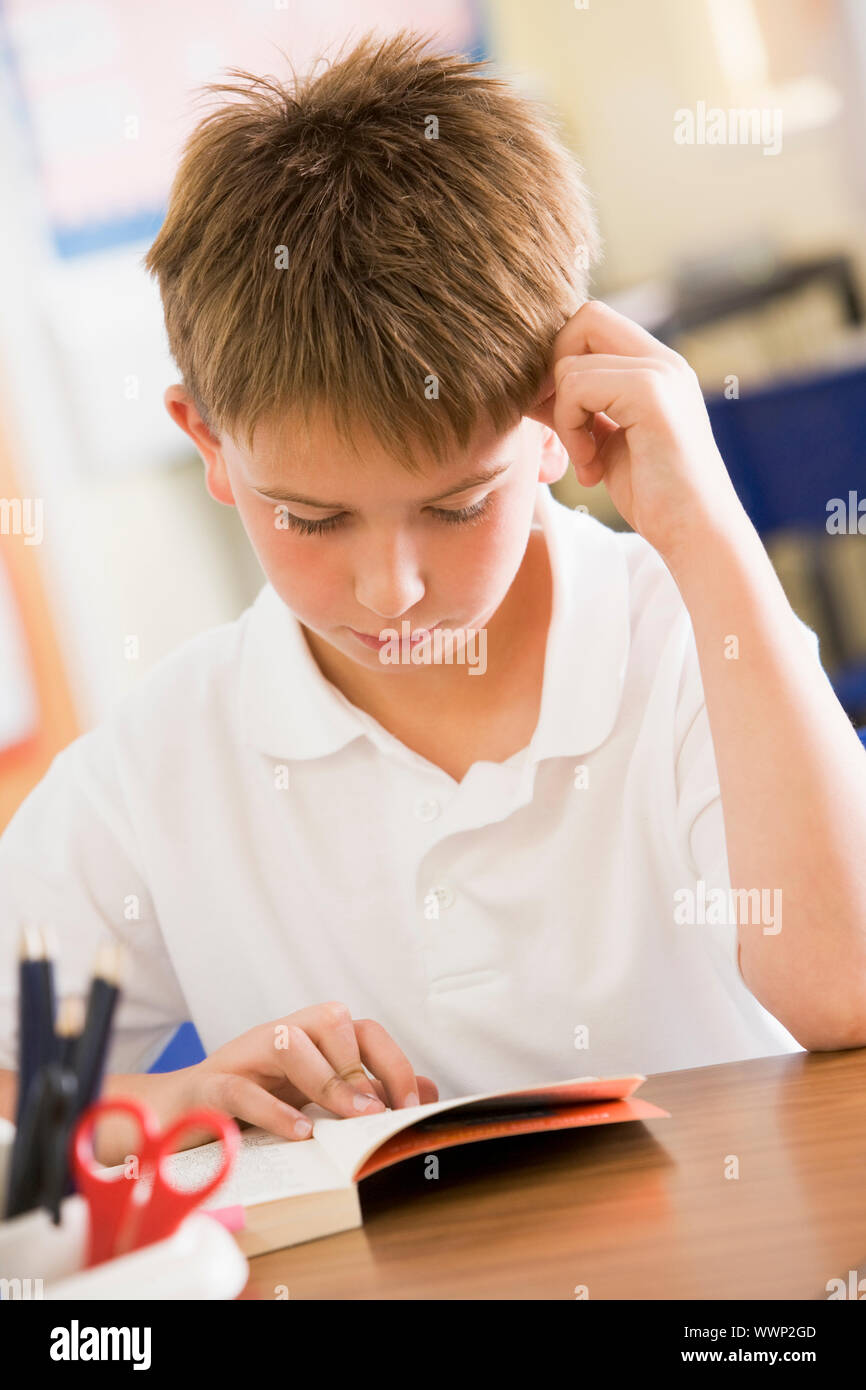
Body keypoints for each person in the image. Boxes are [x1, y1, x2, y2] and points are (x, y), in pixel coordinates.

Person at [2, 30, 865, 1166]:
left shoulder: (688, 641)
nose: (389, 587)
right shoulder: (171, 758)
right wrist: (165, 1111)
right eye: (310, 519)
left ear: (561, 423)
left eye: (456, 506)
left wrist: (706, 533)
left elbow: (843, 991)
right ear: (207, 443)